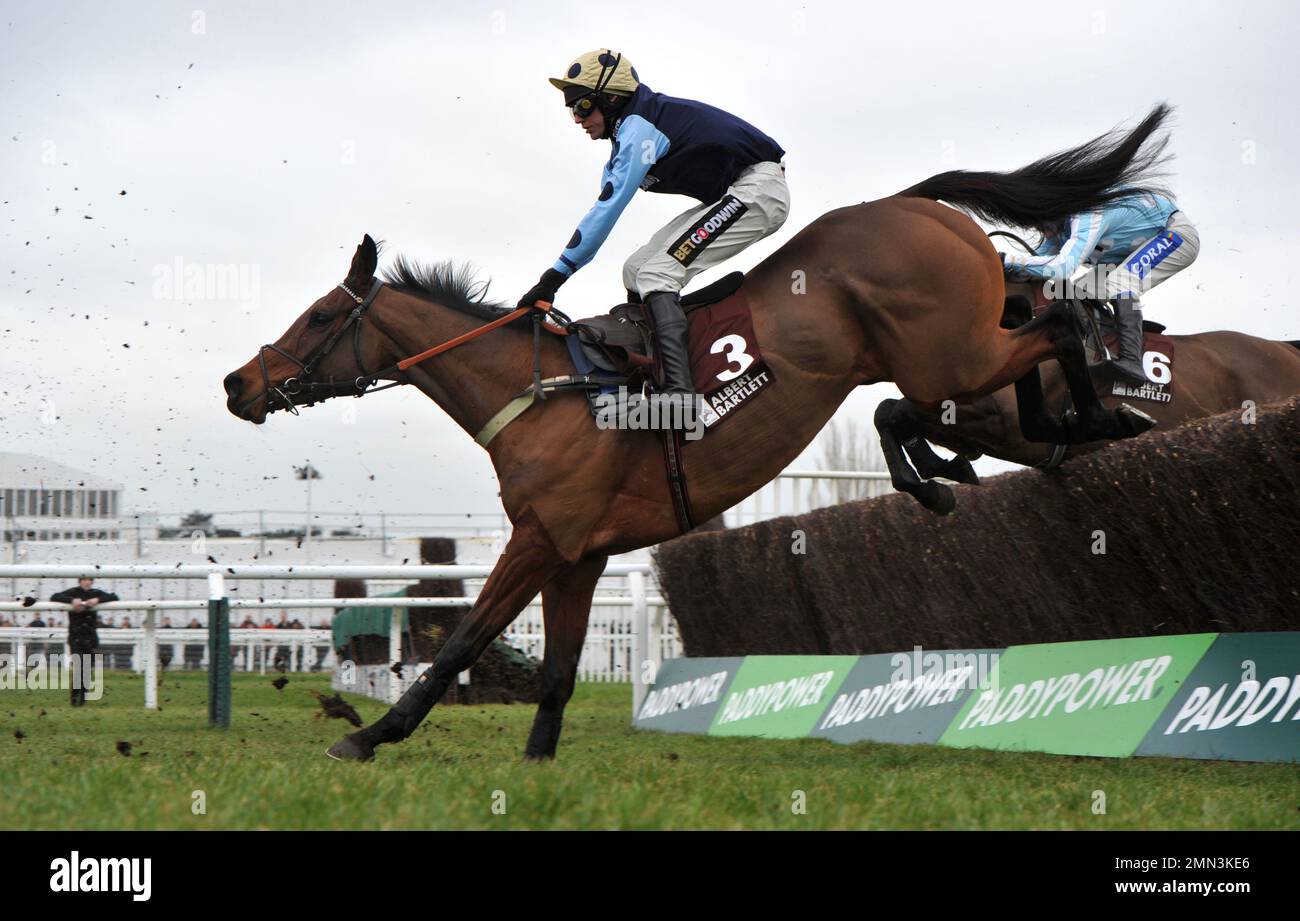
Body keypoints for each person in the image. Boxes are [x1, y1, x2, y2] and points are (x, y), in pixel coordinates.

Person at [518, 49, 789, 411]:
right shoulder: (628, 134)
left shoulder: (638, 131)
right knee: (635, 270)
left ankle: (679, 394)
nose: (577, 119)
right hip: (738, 191)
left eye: (582, 106)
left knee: (658, 274)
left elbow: (607, 211)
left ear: (611, 99)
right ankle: (652, 368)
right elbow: (601, 210)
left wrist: (553, 278)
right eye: (572, 110)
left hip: (759, 190)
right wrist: (556, 276)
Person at [1002, 191, 1199, 384]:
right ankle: (1104, 346)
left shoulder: (1086, 217)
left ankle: (1132, 361)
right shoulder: (1059, 228)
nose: (1044, 233)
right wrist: (1002, 266)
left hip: (1175, 234)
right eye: (1038, 227)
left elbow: (1062, 269)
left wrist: (1008, 259)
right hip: (1131, 251)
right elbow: (1034, 264)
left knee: (1121, 283)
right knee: (1077, 293)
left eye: (1043, 225)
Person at [49, 575, 118, 707]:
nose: (87, 582)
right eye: (84, 579)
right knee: (78, 668)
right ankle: (74, 698)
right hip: (76, 637)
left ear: (92, 581)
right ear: (80, 581)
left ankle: (83, 700)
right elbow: (54, 596)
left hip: (91, 637)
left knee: (87, 669)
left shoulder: (96, 593)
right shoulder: (73, 592)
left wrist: (98, 600)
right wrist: (72, 600)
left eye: (89, 580)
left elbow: (114, 597)